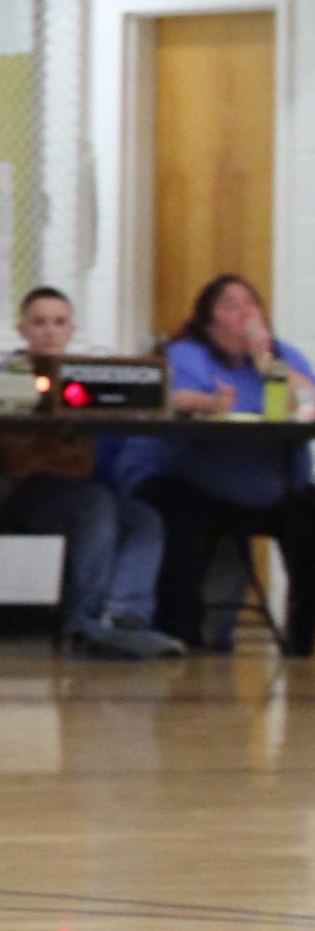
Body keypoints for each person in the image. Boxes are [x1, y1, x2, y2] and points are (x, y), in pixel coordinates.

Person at [2, 286, 177, 661]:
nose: (49, 331)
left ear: (71, 329)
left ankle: (126, 616)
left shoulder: (88, 378)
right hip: (23, 492)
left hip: (77, 487)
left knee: (144, 518)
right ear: (22, 329)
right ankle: (85, 621)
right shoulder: (9, 374)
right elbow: (14, 454)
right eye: (39, 322)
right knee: (96, 505)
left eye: (59, 322)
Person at [149, 274, 315, 657]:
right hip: (201, 482)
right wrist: (209, 403)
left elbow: (307, 400)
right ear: (210, 323)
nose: (245, 313)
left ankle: (303, 639)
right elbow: (173, 397)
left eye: (250, 303)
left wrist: (265, 361)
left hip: (275, 487)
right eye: (230, 305)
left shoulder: (283, 357)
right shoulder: (189, 354)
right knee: (181, 515)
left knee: (309, 517)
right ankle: (180, 634)